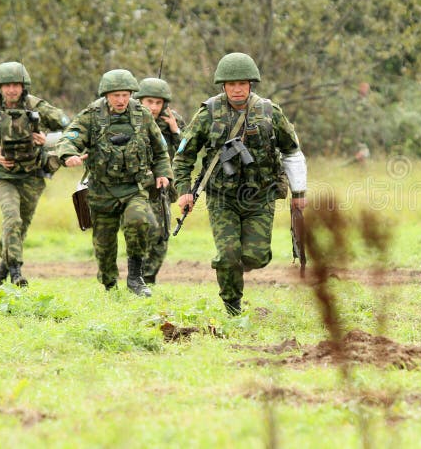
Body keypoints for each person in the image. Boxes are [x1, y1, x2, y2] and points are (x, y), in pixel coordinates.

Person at [173, 52, 307, 315]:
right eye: (231, 84)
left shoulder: (269, 112)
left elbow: (292, 151)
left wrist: (299, 192)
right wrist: (184, 191)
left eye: (242, 84)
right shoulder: (208, 113)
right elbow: (184, 155)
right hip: (222, 198)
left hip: (261, 196)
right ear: (223, 86)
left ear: (250, 85)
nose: (237, 89)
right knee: (228, 254)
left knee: (257, 256)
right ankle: (232, 307)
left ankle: (235, 268)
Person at [54, 69, 171, 296]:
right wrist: (69, 155)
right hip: (102, 191)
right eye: (115, 95)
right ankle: (109, 284)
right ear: (106, 95)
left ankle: (136, 278)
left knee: (139, 221)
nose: (121, 100)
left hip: (133, 188)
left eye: (125, 95)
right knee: (104, 246)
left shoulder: (142, 114)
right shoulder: (92, 115)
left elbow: (160, 149)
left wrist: (163, 173)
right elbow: (70, 137)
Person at [0, 61, 69, 287]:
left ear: (24, 86)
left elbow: (71, 126)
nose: (11, 90)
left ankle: (0, 269)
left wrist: (46, 138)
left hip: (33, 176)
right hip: (4, 177)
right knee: (12, 219)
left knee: (22, 226)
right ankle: (16, 272)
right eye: (7, 85)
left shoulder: (36, 106)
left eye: (16, 85)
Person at [133, 77, 186, 284]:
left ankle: (149, 278)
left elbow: (187, 151)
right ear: (140, 101)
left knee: (161, 234)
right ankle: (136, 276)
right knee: (142, 229)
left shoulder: (173, 120)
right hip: (136, 185)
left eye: (158, 102)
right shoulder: (132, 118)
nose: (154, 107)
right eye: (149, 102)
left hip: (162, 186)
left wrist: (175, 131)